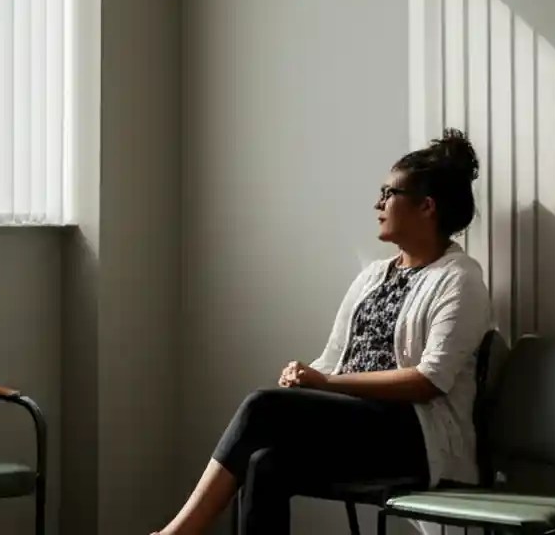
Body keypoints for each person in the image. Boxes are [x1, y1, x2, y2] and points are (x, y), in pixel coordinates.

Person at [154, 129, 492, 535]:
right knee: (265, 462)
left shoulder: (460, 279)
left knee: (263, 407)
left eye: (389, 193)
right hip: (359, 429)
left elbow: (428, 381)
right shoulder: (373, 277)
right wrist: (303, 378)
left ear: (426, 207)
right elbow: (332, 359)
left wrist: (327, 382)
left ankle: (177, 533)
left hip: (416, 440)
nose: (378, 204)